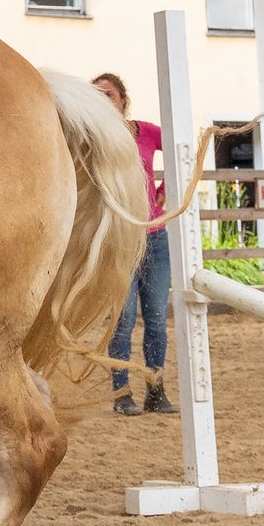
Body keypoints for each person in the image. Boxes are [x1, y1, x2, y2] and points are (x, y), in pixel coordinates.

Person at [92, 71, 175, 415]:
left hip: (154, 237)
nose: (102, 101)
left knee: (155, 318)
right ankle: (121, 394)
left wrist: (162, 194)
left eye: (107, 94)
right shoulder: (93, 138)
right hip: (119, 240)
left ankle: (156, 392)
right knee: (122, 320)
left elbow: (177, 151)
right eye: (95, 95)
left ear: (123, 100)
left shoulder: (148, 132)